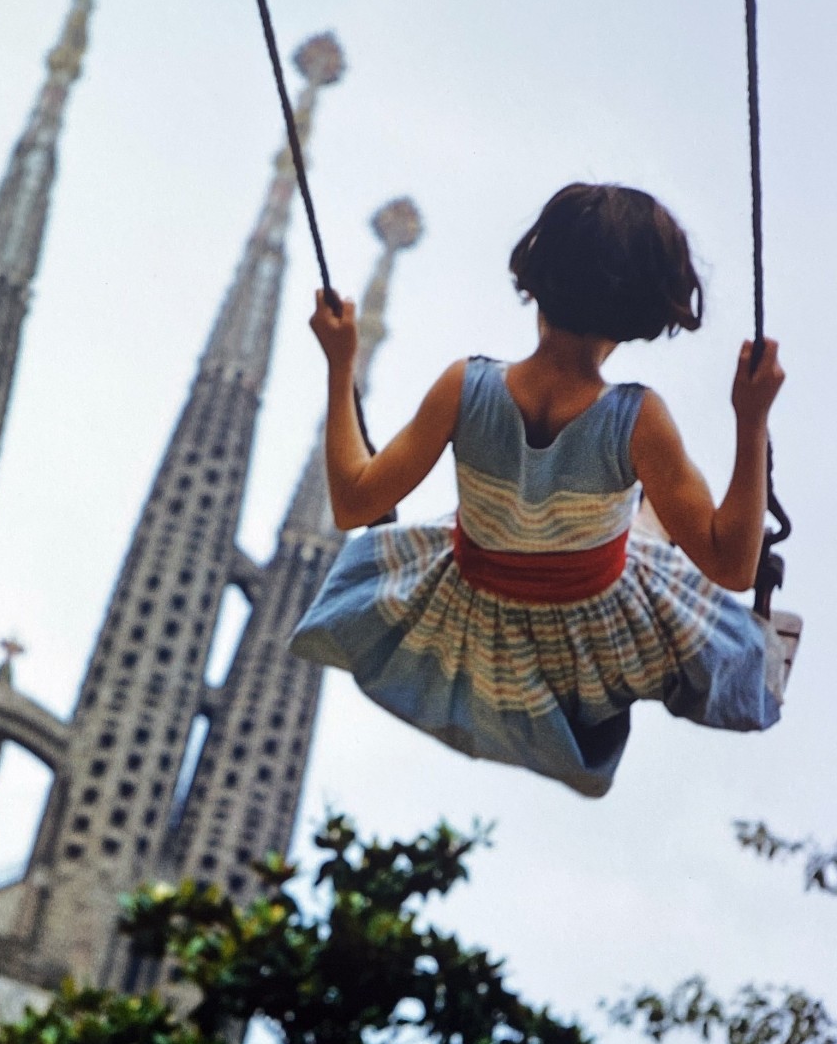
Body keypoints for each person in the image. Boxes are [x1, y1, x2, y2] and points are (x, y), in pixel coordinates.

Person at [290, 182, 790, 797]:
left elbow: (352, 502)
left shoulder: (465, 388)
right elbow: (733, 567)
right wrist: (751, 418)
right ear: (644, 312)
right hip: (589, 636)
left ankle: (623, 519)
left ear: (536, 274)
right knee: (711, 608)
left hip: (472, 613)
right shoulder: (638, 421)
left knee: (600, 509)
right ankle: (635, 521)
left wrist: (341, 365)